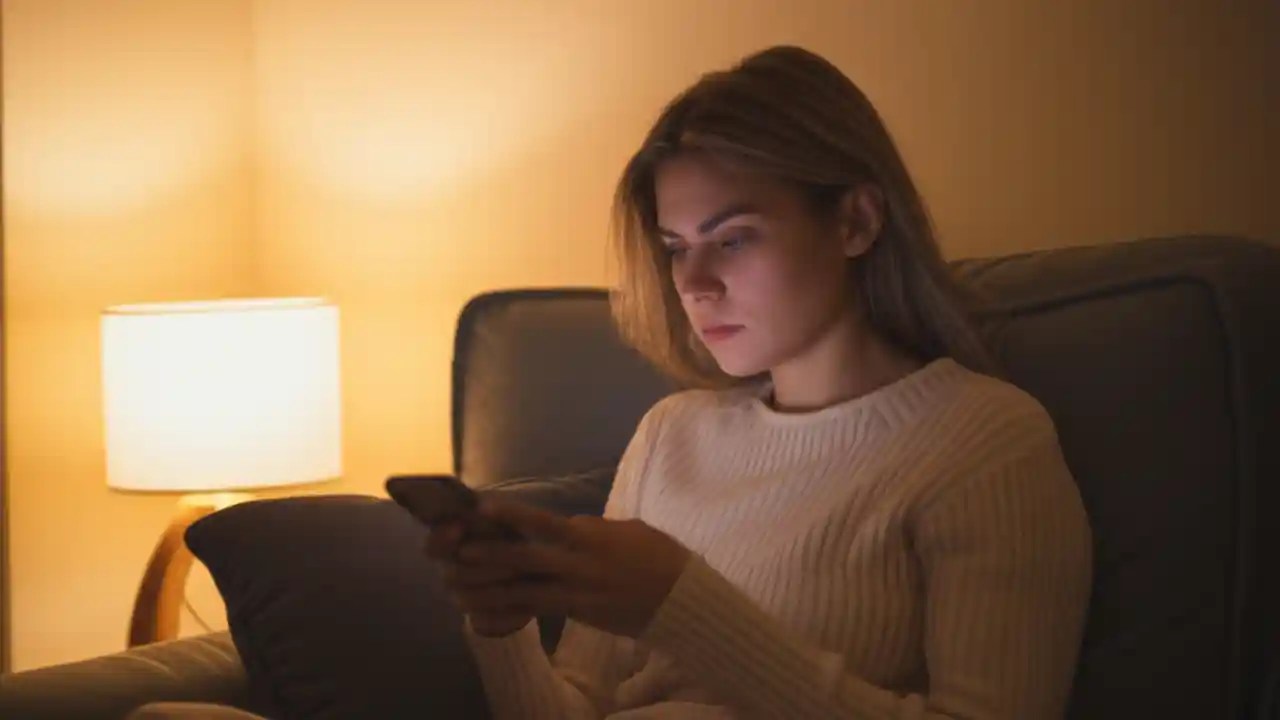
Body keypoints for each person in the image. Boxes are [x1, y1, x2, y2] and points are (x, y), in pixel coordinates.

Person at [428, 45, 1092, 719]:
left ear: (856, 221)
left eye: (734, 239)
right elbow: (578, 705)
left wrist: (681, 606)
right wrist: (501, 626)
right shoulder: (670, 436)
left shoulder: (984, 441)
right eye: (676, 247)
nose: (692, 284)